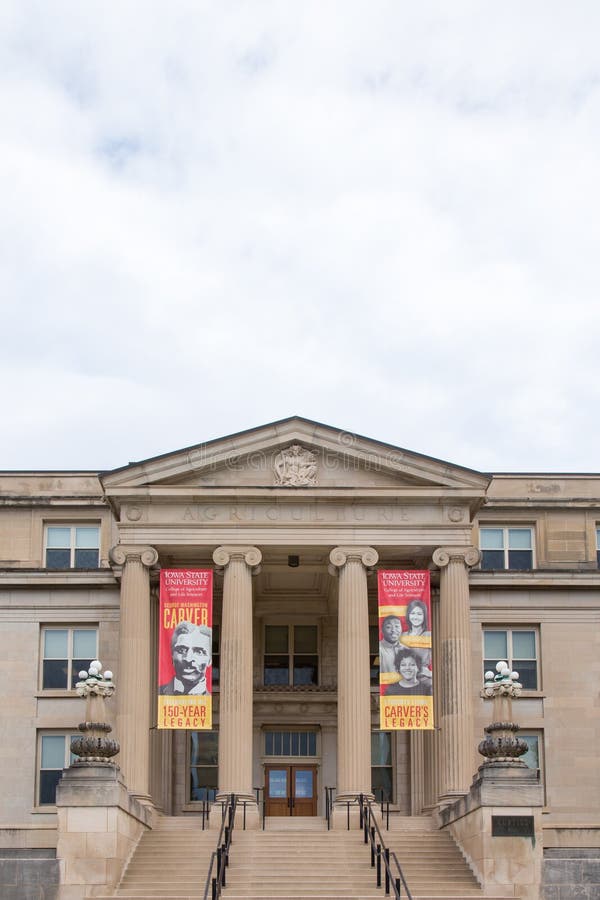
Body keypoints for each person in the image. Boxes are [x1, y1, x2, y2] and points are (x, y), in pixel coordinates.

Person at [159, 621, 212, 695]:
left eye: (199, 652)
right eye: (181, 650)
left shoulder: (211, 700)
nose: (188, 658)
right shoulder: (158, 693)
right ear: (172, 656)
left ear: (209, 660)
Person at [400, 598, 432, 679]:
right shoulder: (402, 636)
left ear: (424, 616)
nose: (415, 617)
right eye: (413, 613)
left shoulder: (429, 635)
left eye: (419, 614)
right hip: (404, 678)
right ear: (408, 615)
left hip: (423, 678)